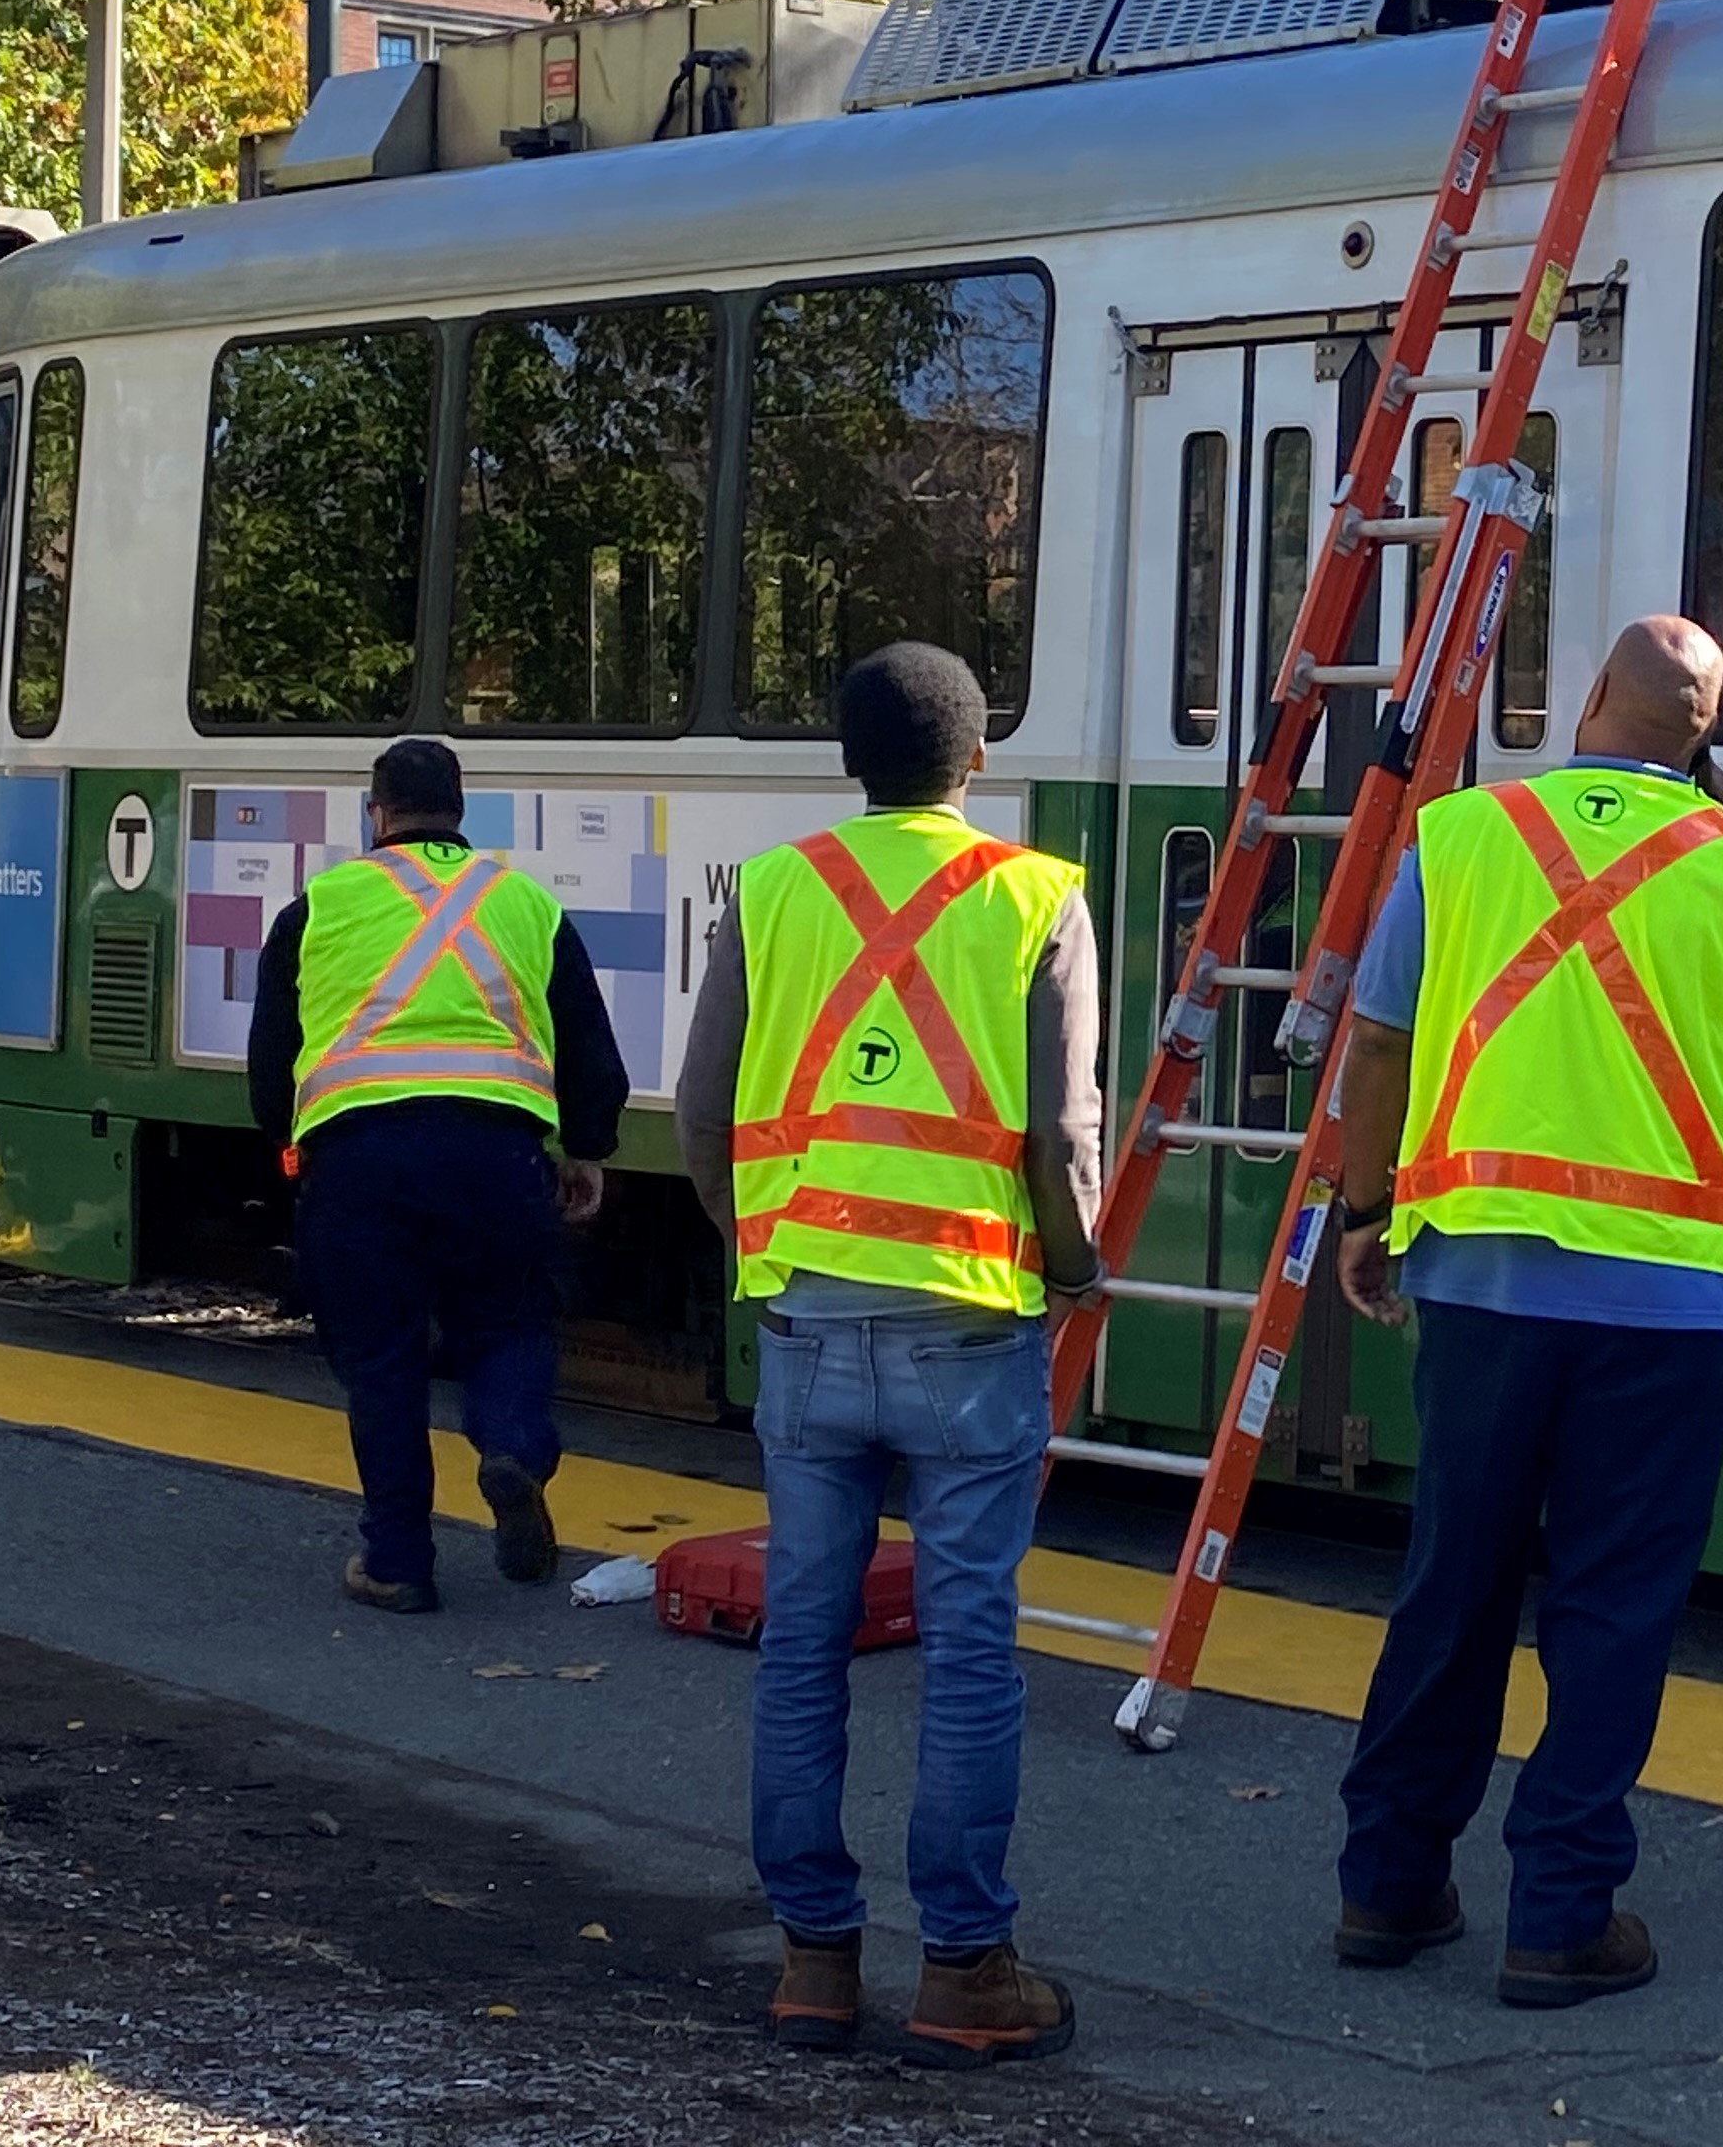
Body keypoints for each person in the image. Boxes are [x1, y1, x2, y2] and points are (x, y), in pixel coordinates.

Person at [1327, 615, 1723, 2007]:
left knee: (1453, 1583)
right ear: (1704, 735)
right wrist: (1722, 824)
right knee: (1612, 1610)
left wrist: (1365, 1210)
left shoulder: (1460, 841)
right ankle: (1560, 1919)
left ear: (1585, 701)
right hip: (1667, 1316)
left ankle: (1389, 1890)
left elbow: (1380, 1038)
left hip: (1481, 1290)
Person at [677, 641, 1102, 2071]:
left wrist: (767, 1247)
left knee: (804, 1642)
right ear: (977, 759)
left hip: (809, 1319)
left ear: (848, 763)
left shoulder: (778, 887)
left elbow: (702, 1103)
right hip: (975, 1323)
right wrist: (1078, 1267)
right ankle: (965, 1973)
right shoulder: (1036, 896)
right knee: (970, 1646)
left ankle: (812, 1964)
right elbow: (1063, 1134)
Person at [248, 736, 628, 1616]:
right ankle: (514, 1449)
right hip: (495, 1154)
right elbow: (587, 1047)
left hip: (360, 1159)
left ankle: (396, 1562)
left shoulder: (318, 908)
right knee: (508, 1322)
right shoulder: (525, 903)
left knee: (381, 1360)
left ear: (375, 813)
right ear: (461, 812)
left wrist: (288, 1147)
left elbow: (272, 1061)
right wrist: (588, 1150)